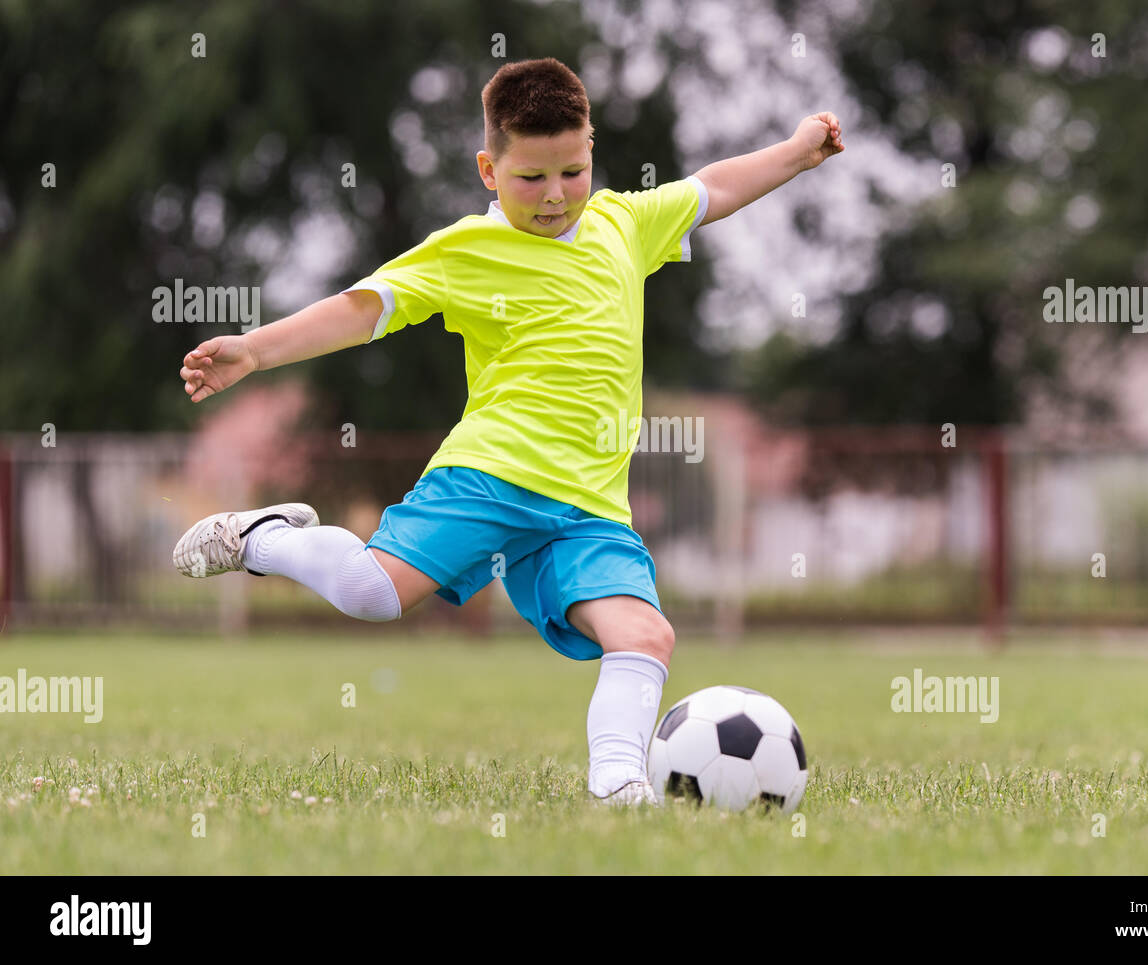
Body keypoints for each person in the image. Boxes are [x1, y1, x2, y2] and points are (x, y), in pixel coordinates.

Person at [174, 57, 844, 805]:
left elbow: (712, 189)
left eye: (572, 170)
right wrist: (257, 349)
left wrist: (797, 148)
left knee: (647, 637)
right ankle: (264, 536)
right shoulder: (464, 250)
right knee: (370, 593)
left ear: (591, 149)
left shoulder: (624, 223)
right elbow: (362, 309)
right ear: (490, 170)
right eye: (531, 178)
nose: (556, 196)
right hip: (488, 478)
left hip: (589, 509)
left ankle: (619, 786)